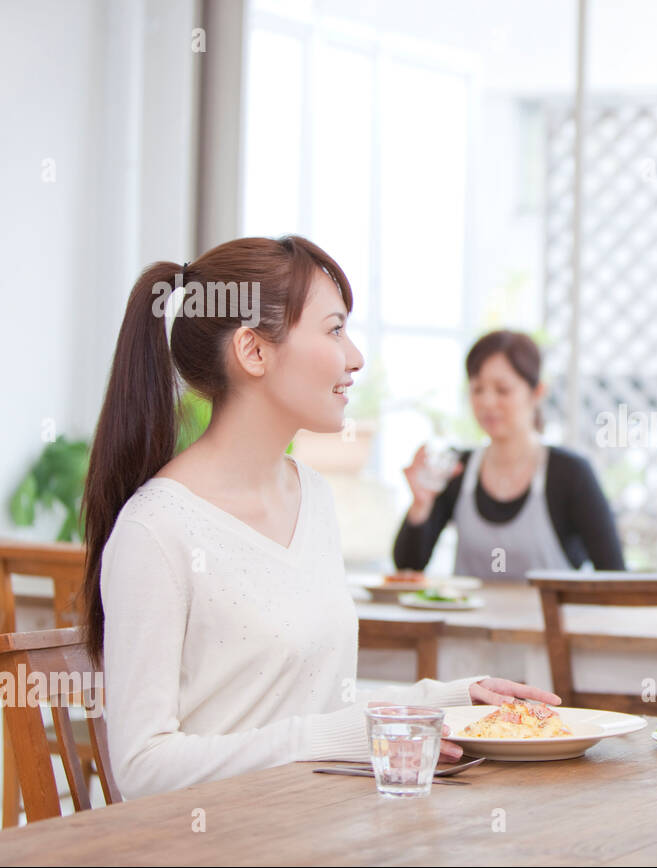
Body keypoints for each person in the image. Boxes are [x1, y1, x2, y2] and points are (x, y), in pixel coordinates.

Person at [81, 236, 557, 800]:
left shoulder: (313, 497)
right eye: (334, 330)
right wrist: (340, 736)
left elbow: (317, 708)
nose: (355, 357)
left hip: (319, 828)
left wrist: (449, 699)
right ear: (254, 352)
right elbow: (143, 768)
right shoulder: (155, 531)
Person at [393, 330, 626, 579]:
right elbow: (408, 567)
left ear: (537, 392)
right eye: (477, 389)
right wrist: (420, 507)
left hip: (549, 619)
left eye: (502, 390)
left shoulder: (570, 473)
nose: (487, 402)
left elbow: (614, 576)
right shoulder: (456, 467)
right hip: (468, 619)